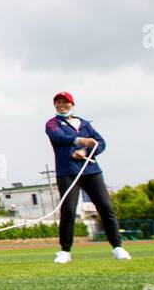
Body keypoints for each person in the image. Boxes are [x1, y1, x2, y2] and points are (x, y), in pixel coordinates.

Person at [46, 91, 130, 264]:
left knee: (106, 208)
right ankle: (65, 251)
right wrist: (81, 141)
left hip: (91, 171)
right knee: (68, 210)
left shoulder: (84, 123)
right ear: (55, 105)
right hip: (67, 172)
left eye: (66, 102)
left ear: (72, 104)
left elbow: (100, 142)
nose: (62, 105)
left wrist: (85, 151)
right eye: (58, 102)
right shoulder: (52, 124)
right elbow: (59, 138)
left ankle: (117, 247)